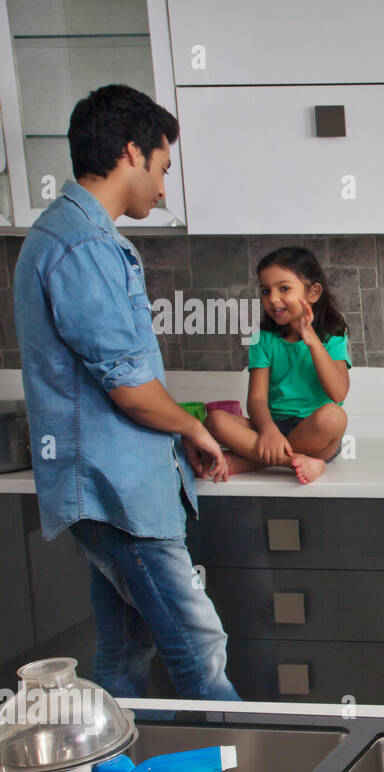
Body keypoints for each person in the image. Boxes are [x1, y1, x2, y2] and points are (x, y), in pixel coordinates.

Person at [13, 84, 239, 701]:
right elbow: (132, 392)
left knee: (124, 647)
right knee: (201, 652)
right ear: (132, 152)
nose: (164, 188)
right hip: (120, 495)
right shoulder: (83, 246)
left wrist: (176, 439)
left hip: (116, 491)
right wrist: (193, 428)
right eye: (163, 168)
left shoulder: (74, 236)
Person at [205, 247, 351, 484]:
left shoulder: (332, 335)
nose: (272, 298)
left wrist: (311, 338)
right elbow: (257, 400)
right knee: (215, 420)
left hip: (315, 435)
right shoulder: (261, 338)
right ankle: (292, 462)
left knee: (334, 417)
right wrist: (269, 430)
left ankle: (251, 461)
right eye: (265, 290)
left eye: (284, 288)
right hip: (271, 427)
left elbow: (338, 392)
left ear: (313, 293)